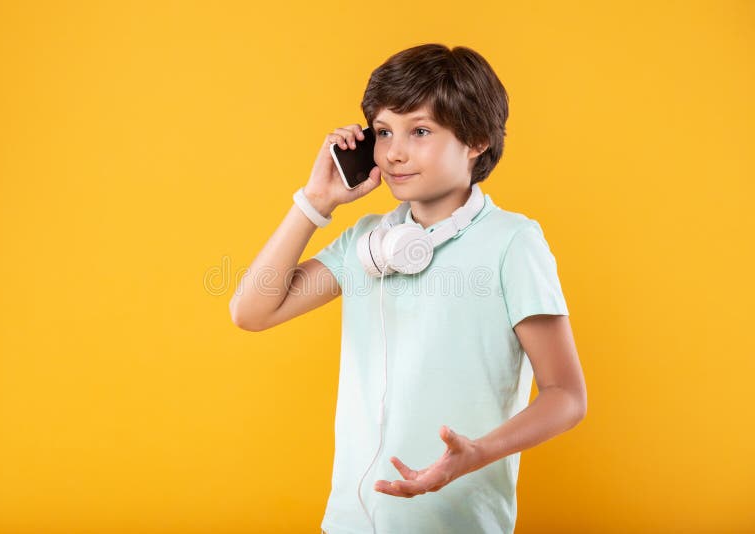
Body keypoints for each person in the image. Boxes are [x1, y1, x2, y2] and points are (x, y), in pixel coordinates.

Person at [230, 43, 587, 534]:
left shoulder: (513, 243)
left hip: (455, 524)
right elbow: (250, 311)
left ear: (477, 138)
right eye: (382, 132)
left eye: (419, 131)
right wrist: (314, 202)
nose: (394, 152)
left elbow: (566, 394)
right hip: (350, 522)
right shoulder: (369, 242)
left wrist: (477, 453)